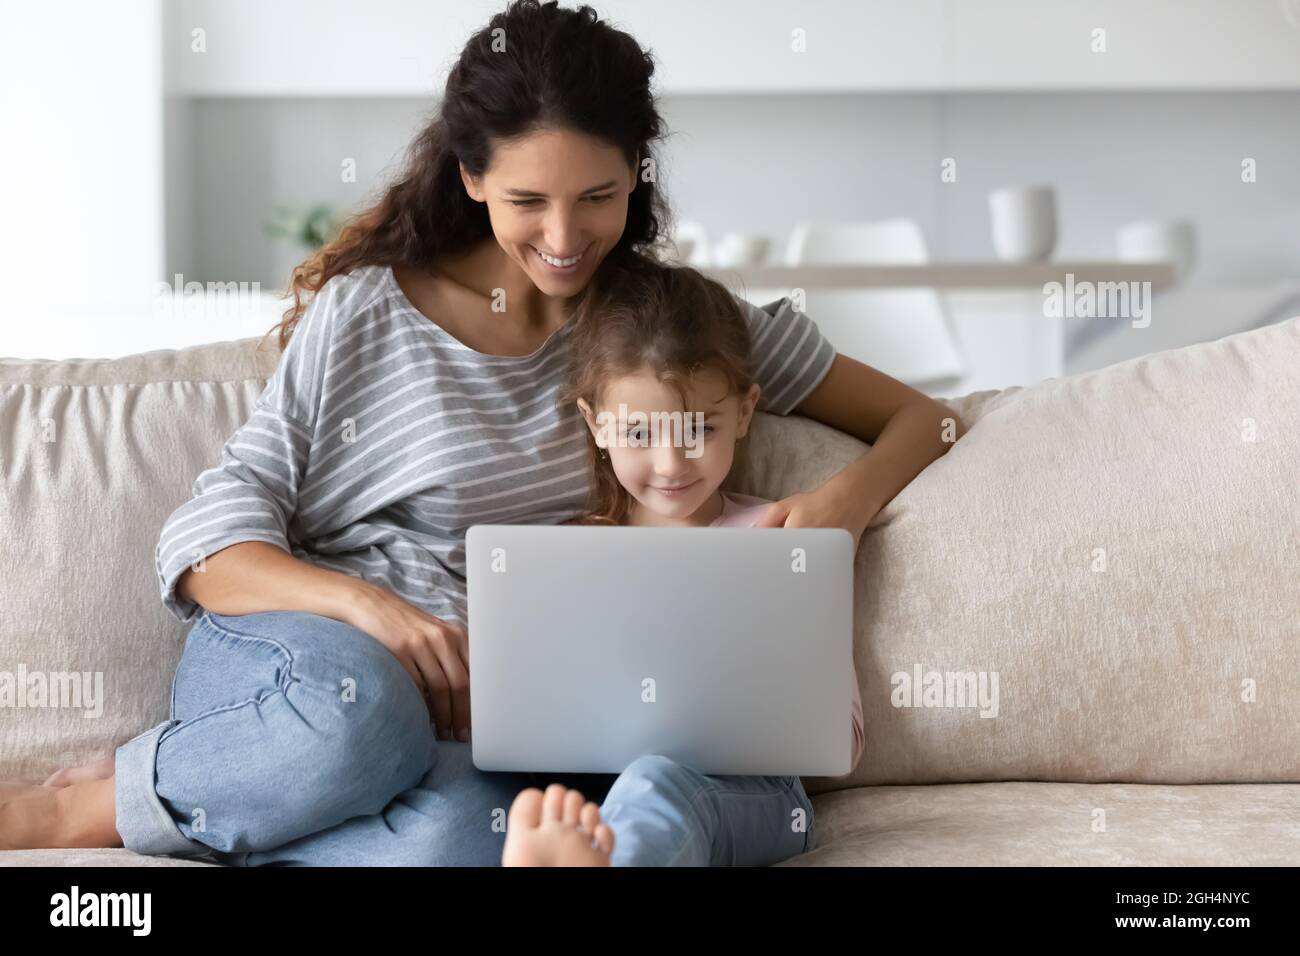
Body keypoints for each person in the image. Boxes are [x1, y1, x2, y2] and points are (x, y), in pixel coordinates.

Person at [1, 0, 960, 864]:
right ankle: (91, 809)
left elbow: (930, 417)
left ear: (637, 176)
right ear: (470, 177)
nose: (563, 237)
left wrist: (845, 505)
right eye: (525, 201)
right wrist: (373, 615)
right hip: (308, 661)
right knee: (366, 721)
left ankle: (249, 818)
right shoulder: (368, 315)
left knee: (474, 840)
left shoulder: (667, 332)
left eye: (597, 197)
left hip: (485, 729)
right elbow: (208, 541)